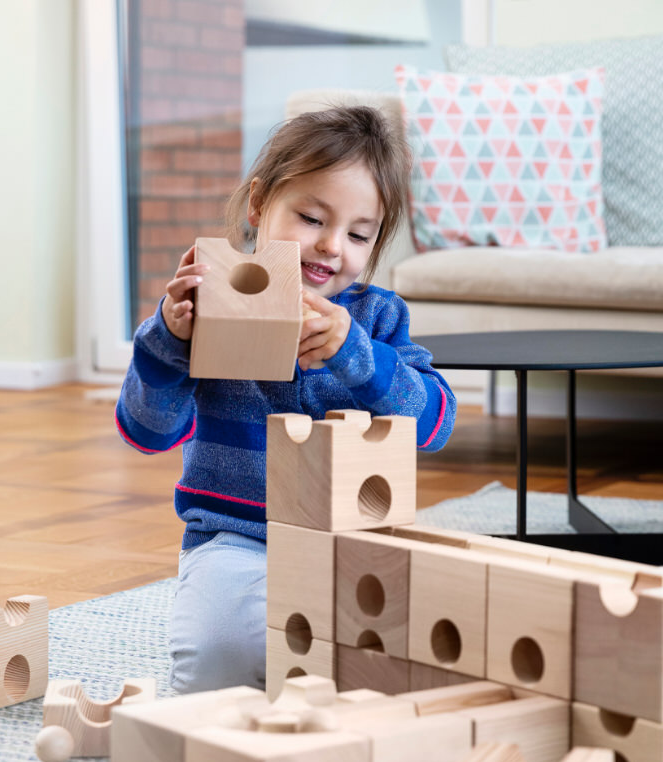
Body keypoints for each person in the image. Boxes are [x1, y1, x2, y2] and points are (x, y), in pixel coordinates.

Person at [115, 105, 457, 693]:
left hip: (351, 543)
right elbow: (145, 431)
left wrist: (359, 357)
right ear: (259, 205)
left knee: (416, 662)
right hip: (235, 536)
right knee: (216, 665)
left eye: (358, 233)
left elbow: (434, 423)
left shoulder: (377, 318)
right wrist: (170, 343)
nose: (330, 247)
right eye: (310, 218)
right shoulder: (210, 304)